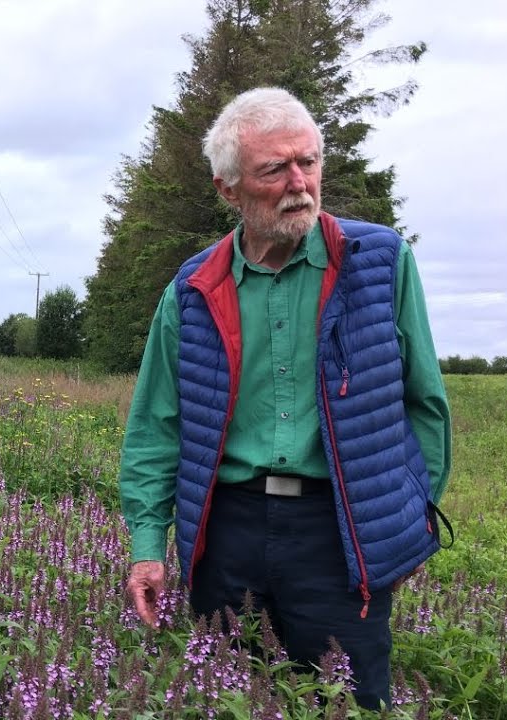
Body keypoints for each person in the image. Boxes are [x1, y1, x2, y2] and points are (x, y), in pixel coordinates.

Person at [119, 86, 452, 711]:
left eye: (309, 161)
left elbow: (424, 404)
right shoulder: (194, 287)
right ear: (229, 189)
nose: (300, 182)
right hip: (226, 531)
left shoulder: (380, 261)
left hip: (339, 530)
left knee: (346, 701)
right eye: (275, 168)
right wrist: (146, 548)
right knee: (226, 697)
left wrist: (410, 522)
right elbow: (157, 425)